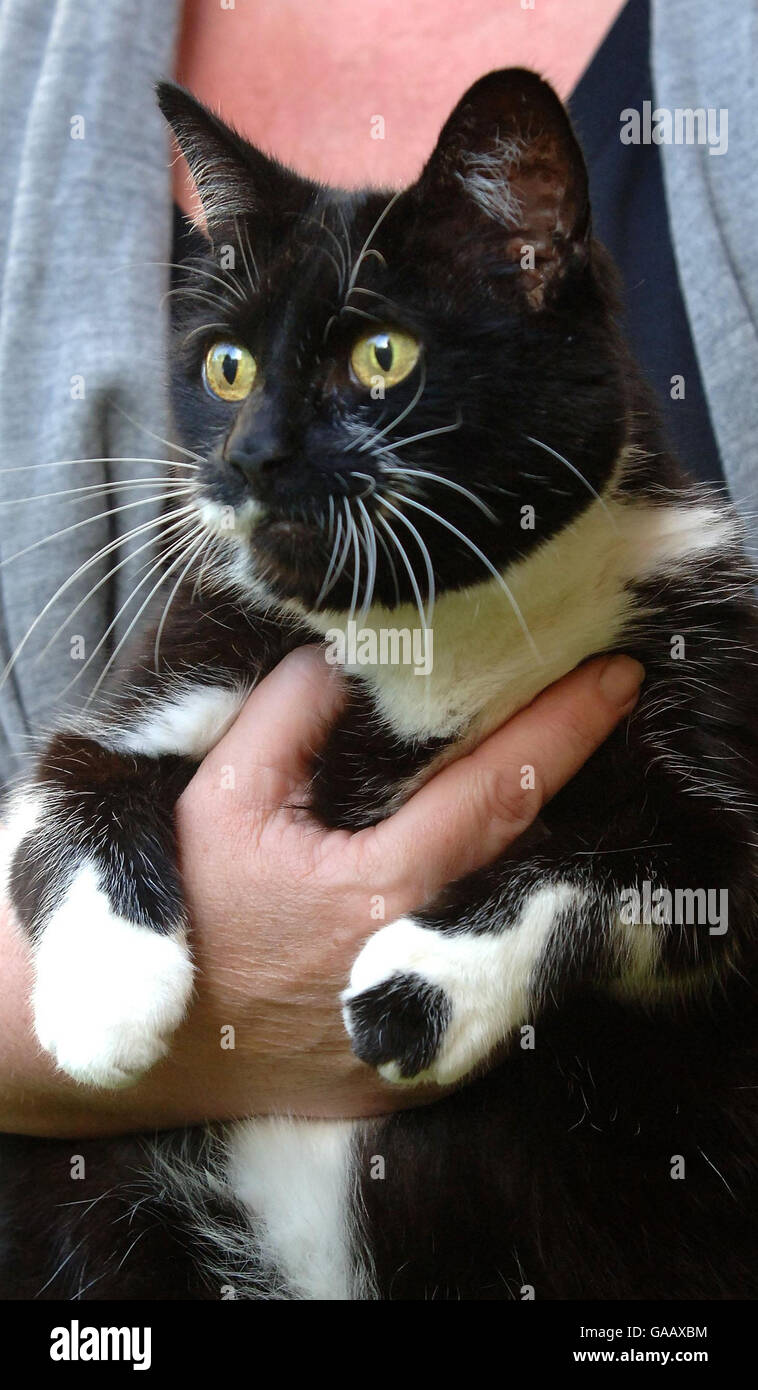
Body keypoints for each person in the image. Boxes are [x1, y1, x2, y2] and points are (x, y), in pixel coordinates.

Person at [0, 0, 751, 1136]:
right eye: (235, 368)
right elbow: (80, 783)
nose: (256, 445)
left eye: (377, 358)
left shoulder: (666, 607)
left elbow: (709, 884)